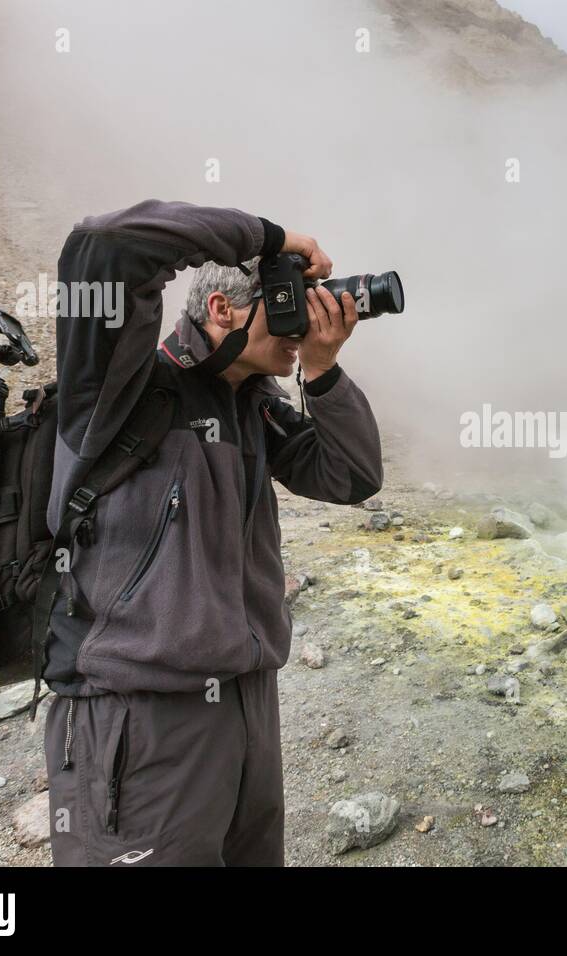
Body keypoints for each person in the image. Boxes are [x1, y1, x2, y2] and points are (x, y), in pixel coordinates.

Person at [41, 200, 382, 865]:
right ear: (221, 311)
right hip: (140, 716)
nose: (299, 321)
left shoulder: (252, 403)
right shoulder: (124, 388)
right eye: (285, 303)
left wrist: (323, 368)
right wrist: (272, 239)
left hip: (246, 706)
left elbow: (351, 476)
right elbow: (105, 245)